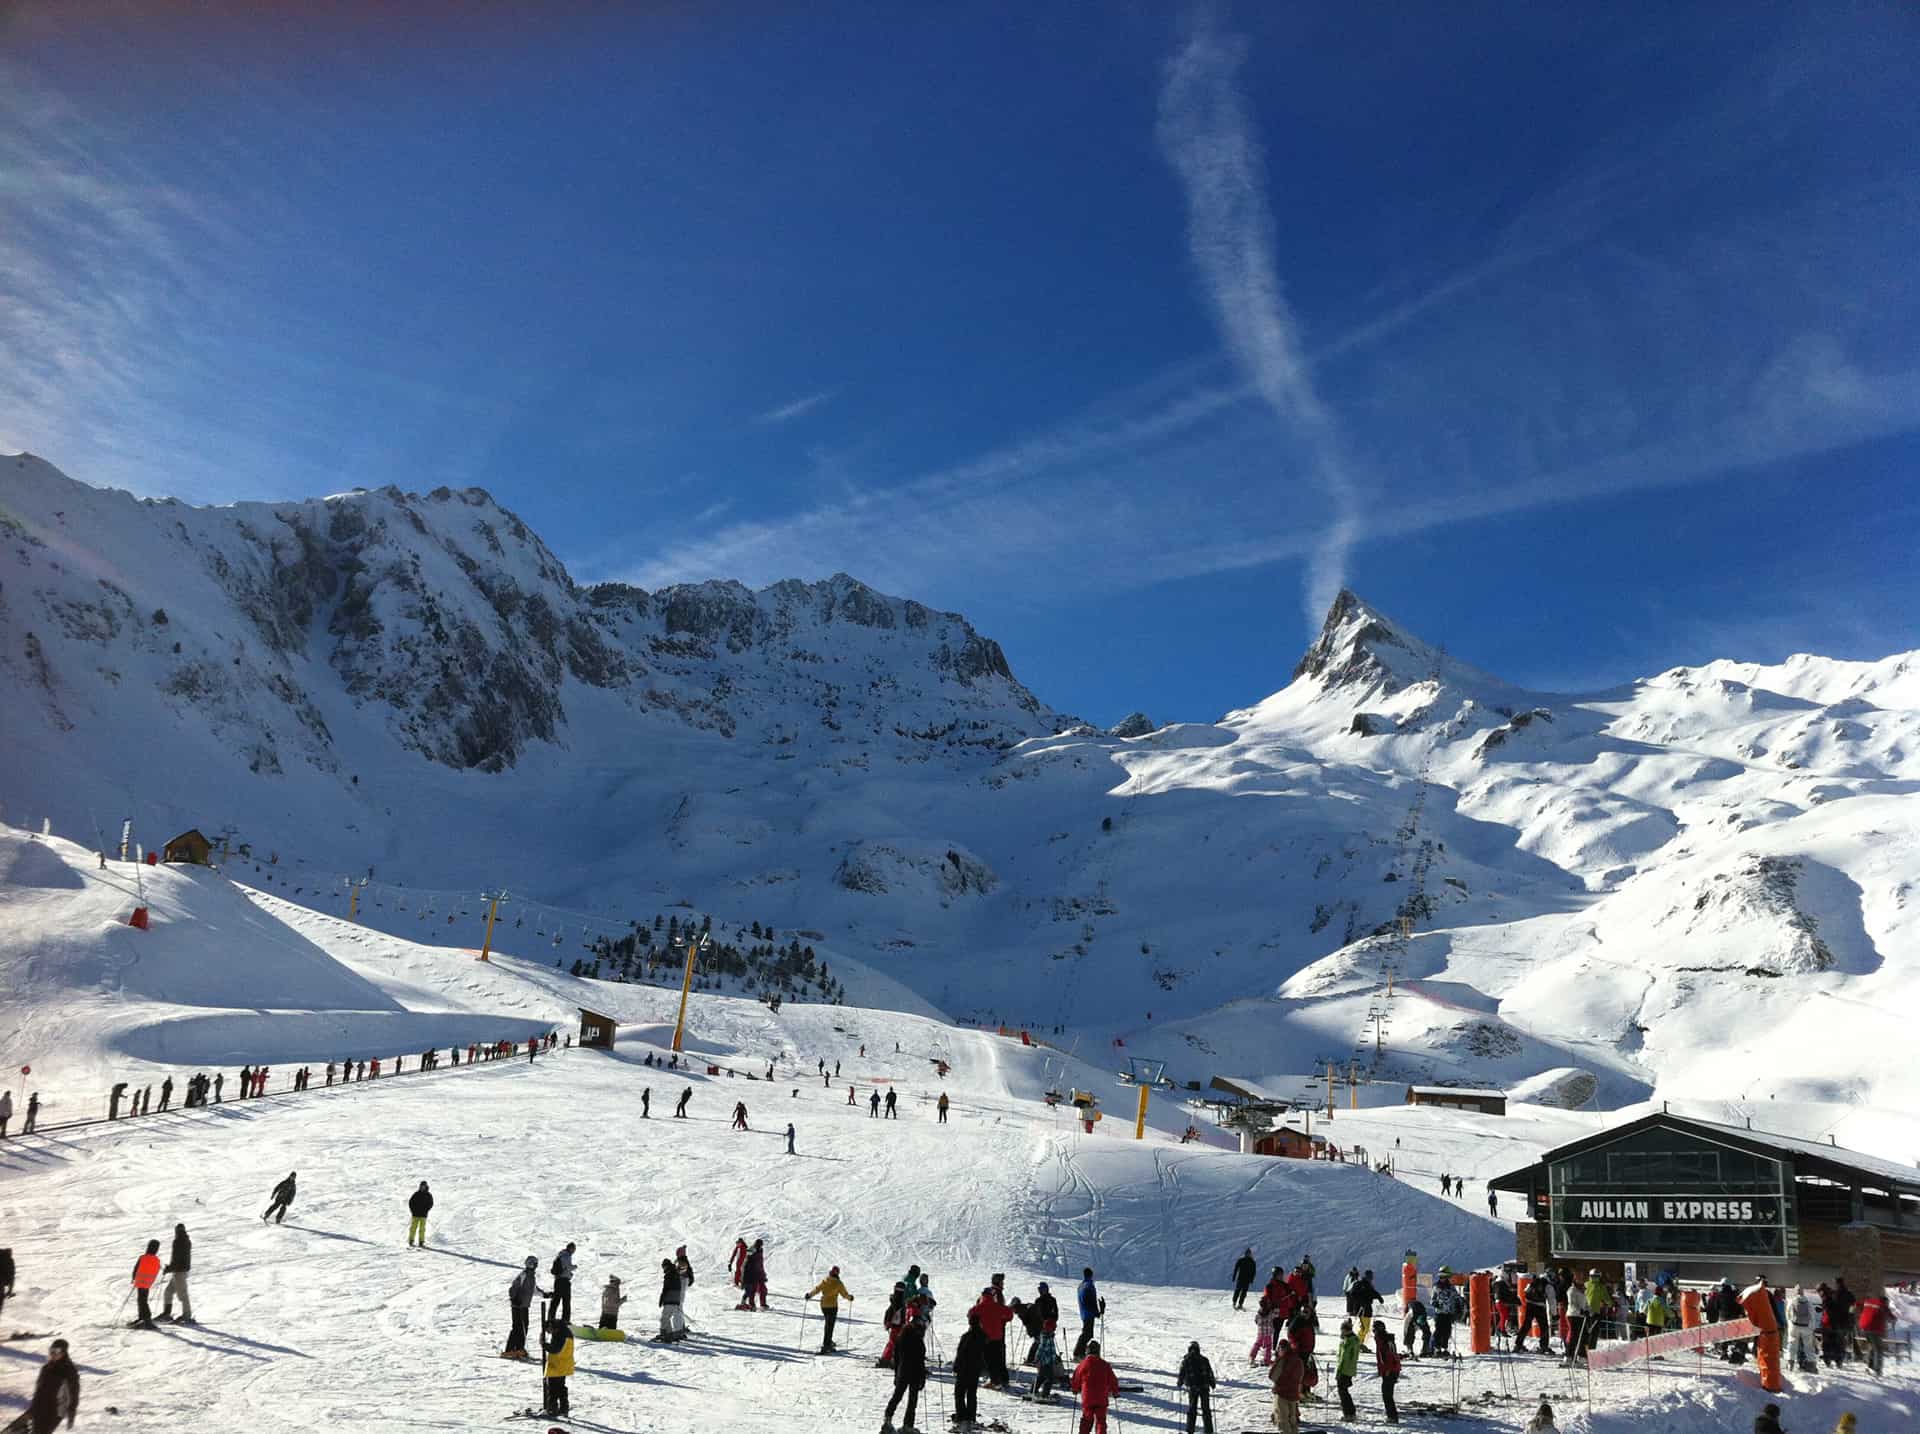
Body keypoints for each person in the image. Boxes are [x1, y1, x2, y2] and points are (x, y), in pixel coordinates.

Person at [19, 1337, 79, 1434]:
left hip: (55, 1411)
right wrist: (33, 1407)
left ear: (63, 1352)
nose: (53, 1354)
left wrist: (72, 1412)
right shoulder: (46, 1368)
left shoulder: (69, 1371)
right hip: (40, 1406)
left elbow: (74, 1393)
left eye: (56, 1351)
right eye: (51, 1351)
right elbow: (39, 1389)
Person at [881, 1313, 928, 1433]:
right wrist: (922, 1377)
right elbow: (920, 1362)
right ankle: (908, 1425)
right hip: (915, 1374)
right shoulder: (917, 1340)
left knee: (897, 1396)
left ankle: (887, 1420)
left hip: (903, 1371)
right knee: (912, 1400)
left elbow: (896, 1358)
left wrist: (897, 1373)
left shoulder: (901, 1337)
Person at [1071, 1337, 1120, 1434]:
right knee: (1101, 1420)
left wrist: (1075, 1388)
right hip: (1101, 1397)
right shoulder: (1105, 1365)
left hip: (1087, 1397)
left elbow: (1076, 1377)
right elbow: (1113, 1379)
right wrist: (1115, 1391)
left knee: (1087, 1419)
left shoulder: (1083, 1364)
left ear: (1087, 1351)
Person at [806, 1266, 853, 1352]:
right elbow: (844, 1294)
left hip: (824, 1306)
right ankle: (826, 1345)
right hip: (832, 1306)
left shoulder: (825, 1281)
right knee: (830, 1325)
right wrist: (850, 1298)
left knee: (828, 1324)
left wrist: (809, 1295)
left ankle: (828, 1341)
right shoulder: (838, 1283)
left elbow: (817, 1289)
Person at [953, 1309, 987, 1426]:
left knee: (960, 1393)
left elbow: (961, 1353)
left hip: (964, 1368)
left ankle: (961, 1416)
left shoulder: (967, 1336)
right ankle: (971, 1416)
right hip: (975, 1368)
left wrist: (956, 1366)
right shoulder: (983, 1336)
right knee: (972, 1393)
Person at [504, 1256, 543, 1357]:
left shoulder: (531, 1276)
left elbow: (534, 1290)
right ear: (530, 1264)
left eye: (536, 1264)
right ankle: (510, 1349)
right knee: (517, 1326)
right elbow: (513, 1287)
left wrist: (545, 1294)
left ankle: (519, 1348)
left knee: (524, 1326)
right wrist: (514, 1298)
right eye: (534, 1264)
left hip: (524, 1305)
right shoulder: (524, 1274)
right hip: (518, 1305)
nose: (536, 1266)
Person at [1176, 1339, 1217, 1434]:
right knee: (1206, 1409)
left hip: (1192, 1388)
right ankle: (1209, 1430)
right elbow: (1209, 1373)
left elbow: (1182, 1373)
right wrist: (1212, 1383)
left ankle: (1190, 1430)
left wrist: (1180, 1382)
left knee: (1192, 1409)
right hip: (1204, 1387)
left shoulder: (1186, 1361)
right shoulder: (1204, 1359)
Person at [158, 1222, 192, 1323]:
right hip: (180, 1270)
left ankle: (187, 1315)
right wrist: (171, 1268)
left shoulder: (178, 1241)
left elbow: (177, 1258)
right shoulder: (185, 1240)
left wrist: (169, 1268)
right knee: (168, 1291)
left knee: (182, 1294)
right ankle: (166, 1313)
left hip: (179, 1271)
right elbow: (178, 1258)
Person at [542, 1312, 574, 1417]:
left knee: (553, 1388)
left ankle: (552, 1409)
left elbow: (555, 1349)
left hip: (558, 1365)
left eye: (549, 1331)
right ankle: (563, 1408)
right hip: (562, 1364)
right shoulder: (563, 1331)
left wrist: (544, 1345)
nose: (549, 1333)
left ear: (552, 1327)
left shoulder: (561, 1335)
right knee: (560, 1387)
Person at [1270, 1336, 1304, 1434]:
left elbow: (1272, 1376)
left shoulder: (1283, 1360)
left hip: (1282, 1393)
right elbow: (1301, 1376)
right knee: (1292, 1420)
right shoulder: (1298, 1360)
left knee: (1283, 1420)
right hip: (1293, 1393)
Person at [1857, 1288, 1894, 1375]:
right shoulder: (1883, 1305)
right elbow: (1891, 1317)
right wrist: (1893, 1319)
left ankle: (1870, 1366)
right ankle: (1877, 1370)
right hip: (1874, 1330)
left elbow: (1858, 1304)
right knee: (1879, 1349)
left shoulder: (1869, 1301)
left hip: (1864, 1328)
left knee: (1872, 1347)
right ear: (1885, 1302)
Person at [129, 1238, 162, 1328]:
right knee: (143, 1300)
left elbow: (136, 1268)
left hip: (140, 1281)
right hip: (148, 1283)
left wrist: (133, 1278)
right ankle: (143, 1318)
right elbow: (157, 1270)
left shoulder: (143, 1257)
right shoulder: (156, 1260)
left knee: (142, 1300)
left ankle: (146, 1318)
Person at [1374, 1325, 1402, 1424]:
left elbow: (1389, 1357)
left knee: (1387, 1395)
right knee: (1387, 1394)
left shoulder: (1384, 1341)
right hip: (1390, 1370)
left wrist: (1388, 1370)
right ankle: (1392, 1416)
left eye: (1375, 1330)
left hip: (1390, 1371)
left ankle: (1392, 1417)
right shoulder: (1385, 1340)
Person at [1335, 1319, 1361, 1421]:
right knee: (1344, 1391)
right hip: (1350, 1369)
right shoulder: (1354, 1339)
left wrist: (1339, 1371)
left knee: (1342, 1392)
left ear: (1345, 1330)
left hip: (1345, 1369)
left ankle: (1348, 1413)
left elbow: (1343, 1357)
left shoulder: (1348, 1341)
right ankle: (1351, 1412)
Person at [1431, 1272, 1463, 1355]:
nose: (1442, 1279)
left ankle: (1445, 1348)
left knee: (1447, 1331)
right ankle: (1437, 1348)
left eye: (1444, 1277)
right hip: (1439, 1312)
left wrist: (1459, 1305)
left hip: (1449, 1312)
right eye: (1441, 1277)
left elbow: (1456, 1297)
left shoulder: (1451, 1287)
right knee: (1438, 1330)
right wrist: (1435, 1303)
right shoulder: (1436, 1287)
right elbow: (1432, 1299)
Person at [1787, 1286, 1817, 1373]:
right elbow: (1812, 1316)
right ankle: (1812, 1365)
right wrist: (1811, 1328)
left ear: (1795, 1292)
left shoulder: (1791, 1301)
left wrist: (1790, 1325)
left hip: (1794, 1326)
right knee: (1808, 1347)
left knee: (1792, 1346)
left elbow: (1788, 1315)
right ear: (1803, 1292)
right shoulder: (1808, 1302)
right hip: (1806, 1327)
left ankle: (1790, 1364)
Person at [1075, 1267, 1102, 1358]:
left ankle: (1080, 1352)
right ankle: (1078, 1353)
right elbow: (1090, 1300)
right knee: (1087, 1334)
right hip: (1088, 1313)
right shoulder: (1088, 1285)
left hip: (1085, 1312)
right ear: (1091, 1275)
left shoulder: (1082, 1285)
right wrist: (1096, 1311)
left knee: (1087, 1333)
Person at [1032, 1320, 1062, 1400]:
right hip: (1045, 1362)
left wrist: (1054, 1358)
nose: (1055, 1329)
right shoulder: (1046, 1337)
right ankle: (1045, 1394)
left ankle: (1033, 1390)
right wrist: (1037, 1359)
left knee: (1041, 1377)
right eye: (1054, 1328)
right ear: (1049, 1328)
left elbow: (1051, 1350)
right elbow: (1040, 1349)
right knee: (1050, 1378)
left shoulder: (1050, 1336)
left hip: (1048, 1361)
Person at [551, 1241, 577, 1324]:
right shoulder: (566, 1256)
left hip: (557, 1280)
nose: (574, 1251)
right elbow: (567, 1267)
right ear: (571, 1248)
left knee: (556, 1300)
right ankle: (565, 1320)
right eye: (574, 1249)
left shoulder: (560, 1255)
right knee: (566, 1301)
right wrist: (574, 1267)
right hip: (564, 1281)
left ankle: (551, 1318)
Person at [740, 1239, 768, 1311]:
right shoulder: (751, 1253)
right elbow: (744, 1267)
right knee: (752, 1290)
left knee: (763, 1290)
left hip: (759, 1274)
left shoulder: (760, 1251)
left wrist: (763, 1274)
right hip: (751, 1275)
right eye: (759, 1245)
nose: (760, 1247)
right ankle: (751, 1305)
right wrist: (743, 1279)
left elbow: (760, 1264)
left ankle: (763, 1304)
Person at [407, 1181, 433, 1247]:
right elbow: (411, 1203)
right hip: (415, 1214)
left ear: (426, 1186)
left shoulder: (428, 1195)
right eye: (421, 1186)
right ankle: (411, 1240)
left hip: (423, 1215)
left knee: (422, 1229)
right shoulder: (416, 1194)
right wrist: (413, 1211)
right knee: (413, 1227)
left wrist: (426, 1210)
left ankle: (421, 1241)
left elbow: (430, 1203)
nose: (422, 1187)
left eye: (424, 1186)